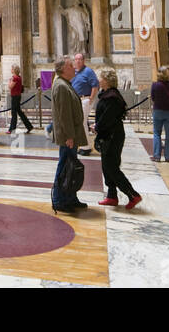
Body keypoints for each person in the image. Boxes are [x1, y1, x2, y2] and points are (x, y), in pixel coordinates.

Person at [95, 67, 140, 209]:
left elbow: (108, 118)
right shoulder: (107, 94)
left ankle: (132, 194)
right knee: (106, 166)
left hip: (112, 135)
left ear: (107, 80)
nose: (98, 80)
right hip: (108, 134)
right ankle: (112, 196)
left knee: (111, 167)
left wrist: (97, 127)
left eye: (101, 77)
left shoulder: (112, 97)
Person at [50, 57, 88, 214]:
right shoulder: (61, 86)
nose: (74, 68)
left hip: (71, 134)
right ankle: (59, 199)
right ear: (63, 69)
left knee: (71, 166)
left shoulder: (65, 84)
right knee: (65, 166)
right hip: (68, 136)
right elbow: (64, 115)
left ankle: (71, 196)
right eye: (70, 66)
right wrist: (69, 136)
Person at [150, 65, 169, 162]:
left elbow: (153, 98)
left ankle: (157, 156)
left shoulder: (155, 85)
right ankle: (168, 157)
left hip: (158, 110)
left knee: (157, 133)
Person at [71, 54, 100, 150]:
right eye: (76, 59)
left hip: (85, 99)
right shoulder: (74, 72)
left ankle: (86, 147)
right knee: (78, 122)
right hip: (76, 100)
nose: (78, 61)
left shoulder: (88, 71)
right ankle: (81, 145)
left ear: (83, 61)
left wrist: (91, 98)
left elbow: (95, 85)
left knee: (81, 121)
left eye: (80, 59)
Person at [7, 64, 33, 135]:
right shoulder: (19, 77)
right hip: (17, 96)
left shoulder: (15, 78)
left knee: (14, 113)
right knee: (20, 112)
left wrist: (9, 81)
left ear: (14, 70)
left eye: (12, 68)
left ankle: (12, 129)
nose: (11, 70)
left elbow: (10, 86)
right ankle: (29, 126)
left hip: (15, 97)